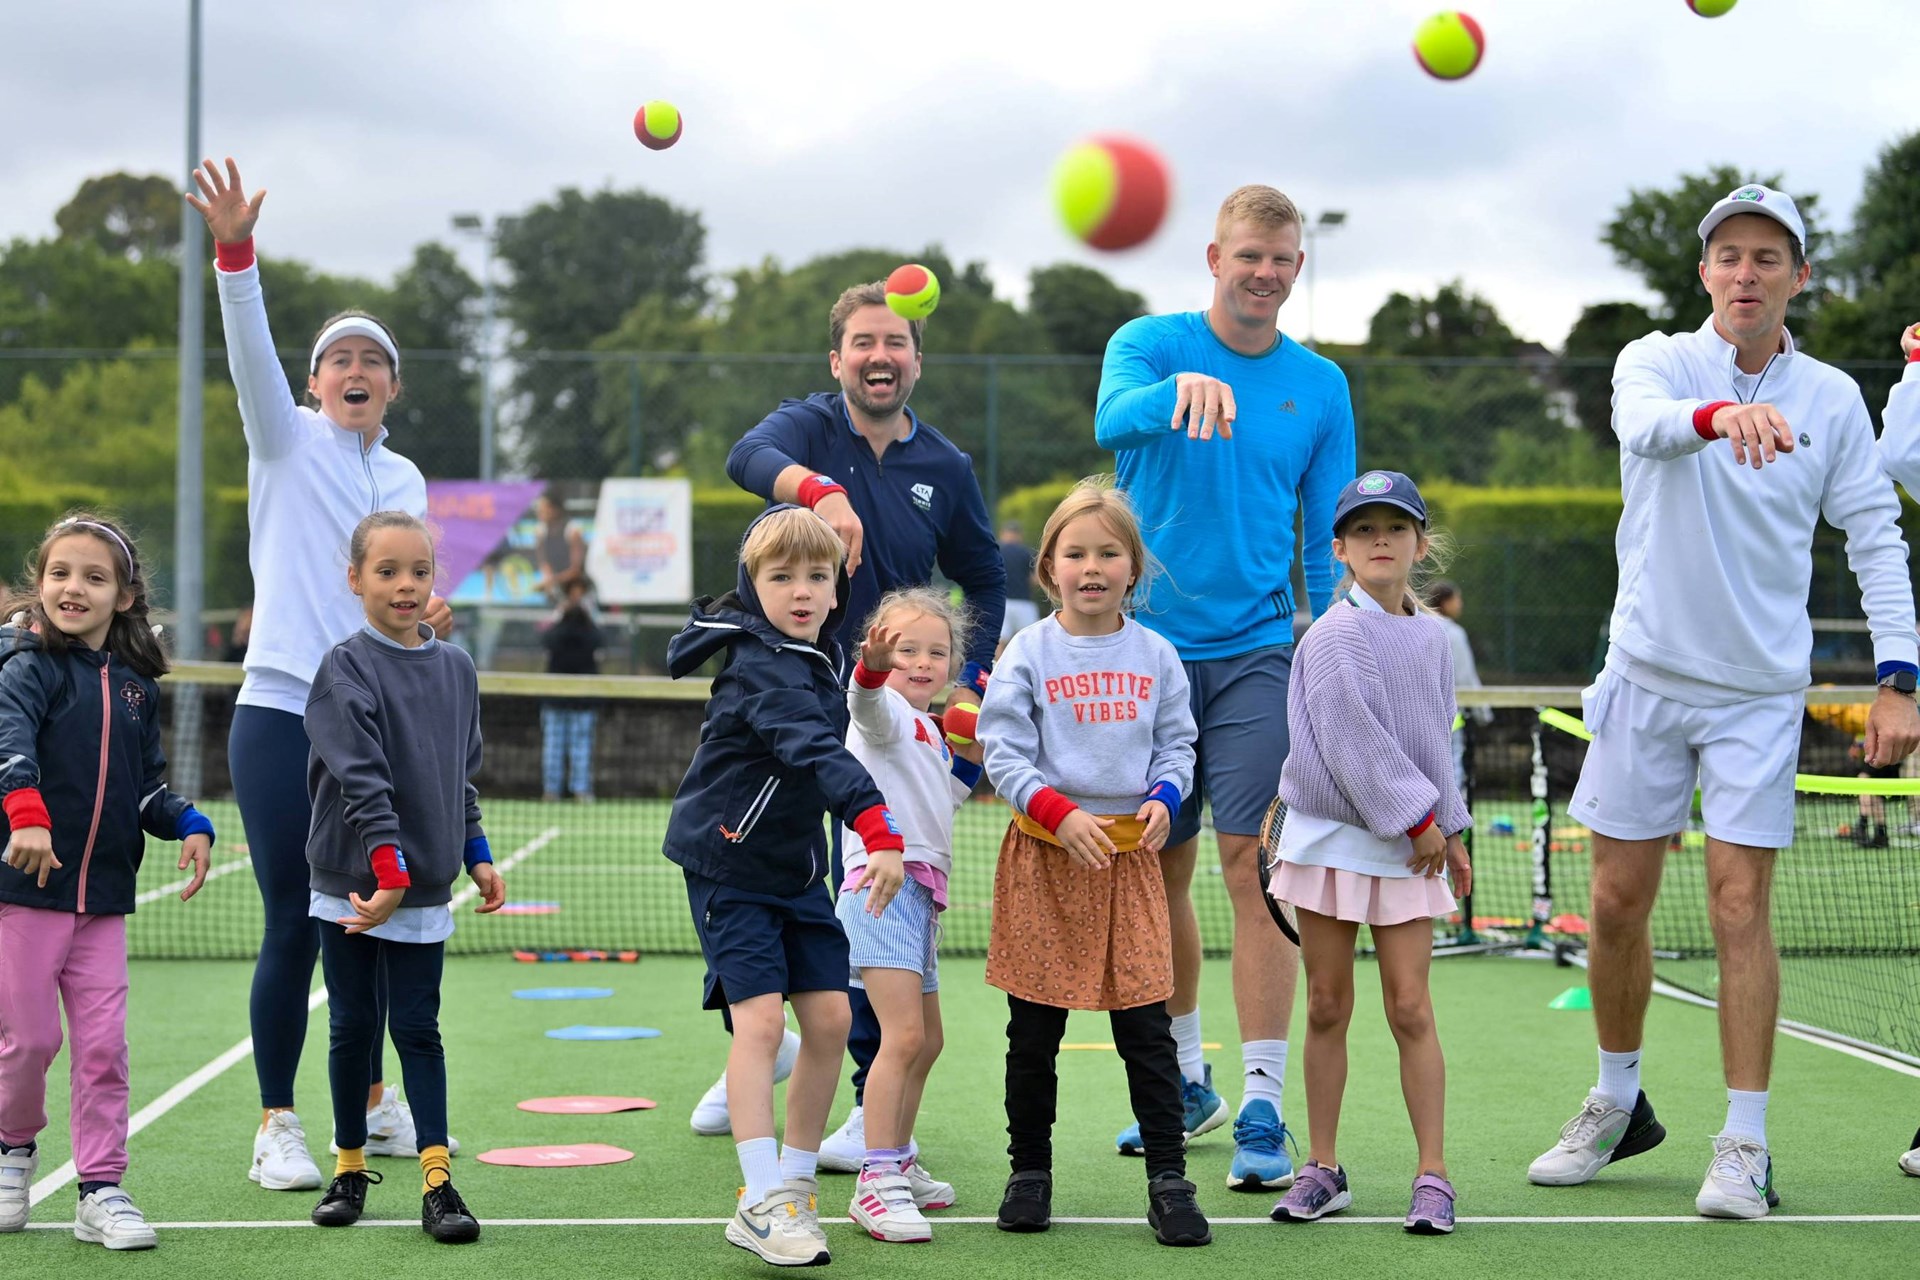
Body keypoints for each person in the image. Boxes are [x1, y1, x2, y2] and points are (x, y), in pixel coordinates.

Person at [1526, 183, 1920, 1220]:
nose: (1746, 274)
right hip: (1646, 676)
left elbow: (1875, 536)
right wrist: (1720, 413)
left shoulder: (1833, 399)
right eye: (1730, 257)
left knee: (1741, 906)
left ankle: (1745, 1140)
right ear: (1704, 273)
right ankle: (1617, 1101)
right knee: (1614, 904)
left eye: (1768, 258)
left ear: (1797, 277)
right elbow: (1648, 428)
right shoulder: (1653, 361)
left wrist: (1899, 675)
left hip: (1757, 696)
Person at [188, 157, 455, 1190]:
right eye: (337, 357)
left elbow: (403, 591)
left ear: (392, 385)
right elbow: (247, 349)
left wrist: (427, 610)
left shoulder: (405, 475)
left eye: (372, 360)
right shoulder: (284, 440)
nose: (354, 368)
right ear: (312, 382)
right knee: (295, 914)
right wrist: (235, 253)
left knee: (376, 906)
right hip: (282, 711)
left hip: (381, 712)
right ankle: (278, 1121)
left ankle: (379, 1101)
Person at [1094, 184, 1357, 1190]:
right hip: (1144, 651)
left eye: (1283, 259)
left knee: (1254, 865)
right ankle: (1187, 1077)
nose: (1266, 273)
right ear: (1215, 256)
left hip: (1257, 650)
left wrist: (1336, 642)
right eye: (1251, 255)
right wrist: (1175, 397)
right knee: (1159, 868)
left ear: (1297, 267)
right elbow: (1109, 418)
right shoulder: (1150, 344)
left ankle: (1260, 1101)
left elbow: (1327, 526)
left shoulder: (1321, 383)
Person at [718, 280, 1007, 1167]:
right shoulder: (807, 429)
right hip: (791, 693)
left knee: (871, 889)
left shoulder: (947, 469)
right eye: (863, 344)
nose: (880, 357)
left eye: (897, 344)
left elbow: (986, 581)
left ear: (917, 360)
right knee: (765, 860)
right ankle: (755, 1036)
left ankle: (859, 1111)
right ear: (837, 360)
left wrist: (966, 676)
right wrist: (819, 493)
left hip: (882, 716)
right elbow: (744, 453)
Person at [662, 504, 907, 1267]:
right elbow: (810, 748)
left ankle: (795, 1190)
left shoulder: (818, 656)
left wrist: (864, 672)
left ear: (837, 589)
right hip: (730, 867)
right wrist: (878, 826)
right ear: (752, 585)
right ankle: (760, 1197)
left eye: (816, 575)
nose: (800, 590)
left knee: (831, 1022)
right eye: (781, 577)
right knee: (761, 1027)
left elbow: (832, 714)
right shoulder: (762, 664)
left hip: (797, 873)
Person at [978, 478, 1211, 1248]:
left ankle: (1170, 1182)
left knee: (1147, 1032)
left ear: (1132, 569)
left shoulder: (1157, 654)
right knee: (1033, 1033)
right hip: (1046, 859)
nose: (1092, 567)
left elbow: (1179, 743)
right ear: (1048, 569)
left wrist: (1166, 797)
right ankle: (1029, 1175)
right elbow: (1002, 751)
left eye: (1108, 553)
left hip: (1127, 863)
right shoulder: (1029, 654)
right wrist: (1059, 813)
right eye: (1075, 553)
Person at [0, 514, 215, 1250]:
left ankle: (101, 1187)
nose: (74, 588)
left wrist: (189, 823)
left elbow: (143, 788)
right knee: (27, 1042)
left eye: (95, 578)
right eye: (61, 573)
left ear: (123, 596)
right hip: (26, 897)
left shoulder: (133, 689)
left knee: (103, 1050)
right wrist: (25, 814)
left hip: (105, 907)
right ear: (40, 582)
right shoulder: (24, 669)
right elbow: (10, 746)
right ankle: (11, 1152)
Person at [1267, 472, 1473, 1235]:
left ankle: (1434, 1174)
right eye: (1362, 530)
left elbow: (1432, 738)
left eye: (1395, 527)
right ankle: (1321, 1167)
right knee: (1326, 1004)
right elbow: (1352, 741)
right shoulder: (1333, 634)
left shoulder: (1433, 636)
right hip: (1333, 842)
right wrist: (1419, 818)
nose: (1379, 540)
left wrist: (1449, 827)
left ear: (1421, 543)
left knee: (1411, 1007)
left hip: (1412, 842)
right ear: (1339, 551)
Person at [302, 512, 505, 1243]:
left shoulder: (455, 667)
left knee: (418, 1028)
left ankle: (438, 1184)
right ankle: (350, 1168)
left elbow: (458, 776)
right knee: (353, 1026)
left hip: (415, 887)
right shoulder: (342, 667)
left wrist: (475, 850)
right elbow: (362, 780)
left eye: (418, 571)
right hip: (353, 883)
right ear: (355, 580)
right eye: (386, 571)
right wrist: (386, 867)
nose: (405, 585)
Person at [836, 588, 981, 1242]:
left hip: (920, 893)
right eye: (906, 650)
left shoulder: (926, 726)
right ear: (880, 649)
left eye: (936, 651)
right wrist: (867, 670)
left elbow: (943, 798)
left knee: (929, 1039)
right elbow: (862, 701)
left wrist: (971, 763)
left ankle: (899, 1156)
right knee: (904, 1038)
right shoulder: (887, 710)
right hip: (879, 885)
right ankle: (876, 1180)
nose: (922, 662)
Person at [1422, 580, 1492, 807]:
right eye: (1457, 599)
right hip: (1450, 716)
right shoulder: (1454, 633)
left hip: (1418, 715)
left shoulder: (1415, 625)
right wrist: (1483, 712)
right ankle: (1450, 825)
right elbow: (1465, 676)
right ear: (1446, 601)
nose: (1460, 603)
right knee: (1452, 767)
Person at [540, 577, 603, 803]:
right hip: (562, 698)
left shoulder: (565, 631)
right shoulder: (587, 631)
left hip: (578, 699)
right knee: (556, 747)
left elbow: (546, 640)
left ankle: (578, 791)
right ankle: (554, 791)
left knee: (578, 746)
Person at [533, 493, 588, 605]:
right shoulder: (540, 531)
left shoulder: (573, 531)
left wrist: (550, 581)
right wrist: (548, 579)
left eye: (543, 508)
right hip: (557, 592)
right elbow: (543, 562)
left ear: (554, 509)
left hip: (578, 592)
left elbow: (576, 571)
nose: (539, 512)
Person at [997, 521, 1041, 653]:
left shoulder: (996, 552)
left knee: (999, 641)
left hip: (1002, 602)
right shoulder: (1025, 553)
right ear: (1019, 535)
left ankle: (998, 670)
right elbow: (1035, 580)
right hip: (1024, 602)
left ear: (1003, 534)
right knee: (1032, 641)